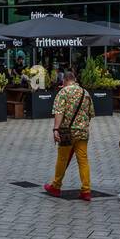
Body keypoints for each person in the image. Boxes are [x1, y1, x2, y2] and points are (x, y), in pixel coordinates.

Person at [44, 69, 93, 202]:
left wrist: (56, 129)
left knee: (62, 159)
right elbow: (90, 113)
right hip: (83, 131)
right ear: (75, 79)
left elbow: (59, 112)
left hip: (67, 132)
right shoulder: (85, 92)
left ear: (65, 80)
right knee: (83, 160)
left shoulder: (63, 92)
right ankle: (86, 190)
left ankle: (56, 186)